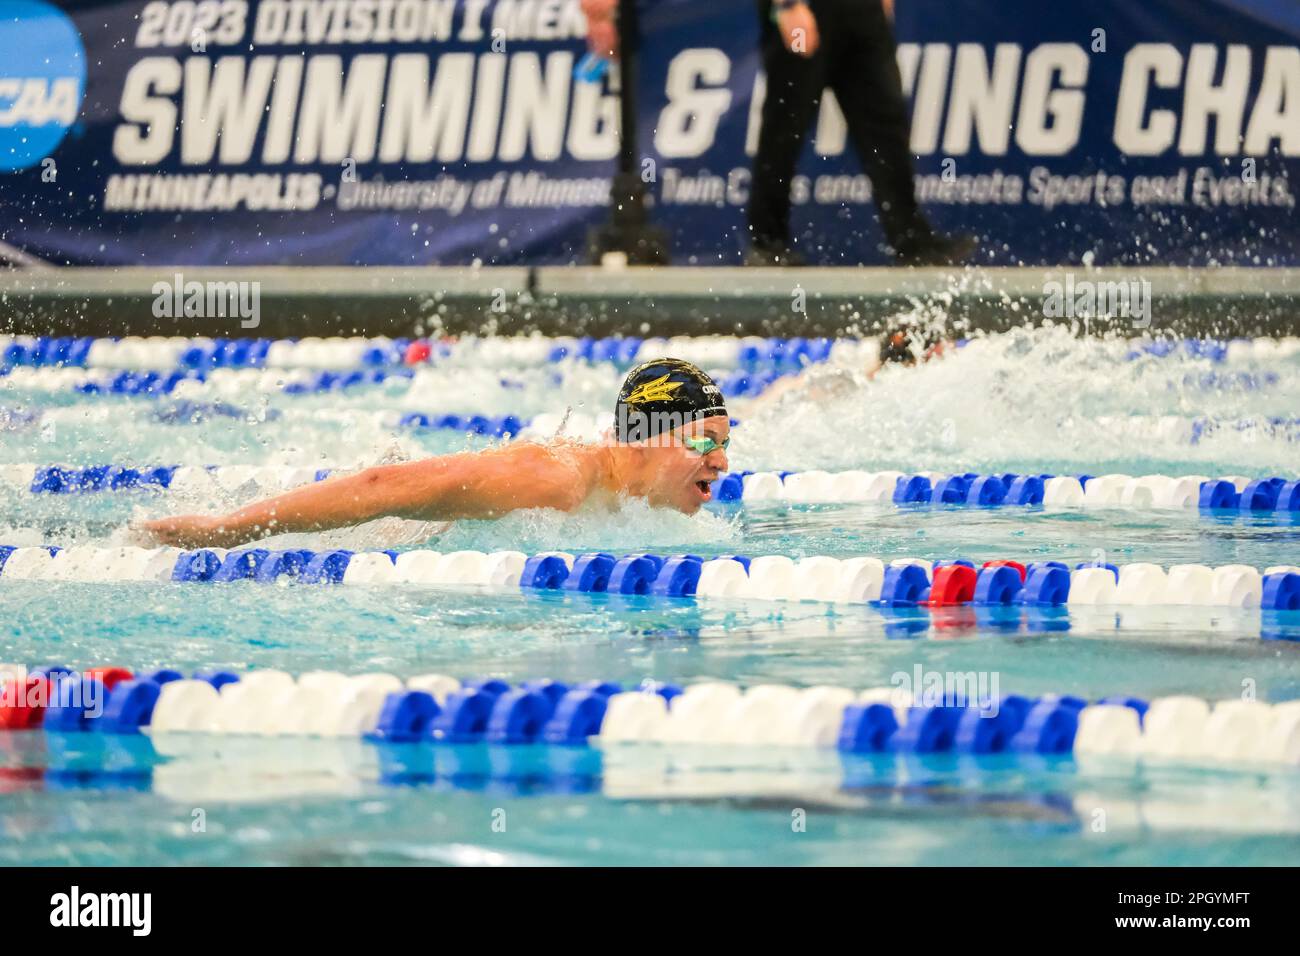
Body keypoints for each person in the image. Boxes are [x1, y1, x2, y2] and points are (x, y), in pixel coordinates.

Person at [142, 359, 731, 549]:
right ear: (649, 436)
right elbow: (380, 489)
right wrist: (226, 528)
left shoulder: (628, 505)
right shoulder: (557, 479)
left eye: (725, 445)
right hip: (384, 536)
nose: (722, 462)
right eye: (704, 441)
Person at [747, 0, 976, 266]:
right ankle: (767, 243)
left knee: (886, 122)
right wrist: (786, 5)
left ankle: (913, 241)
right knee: (785, 126)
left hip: (864, 12)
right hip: (803, 8)